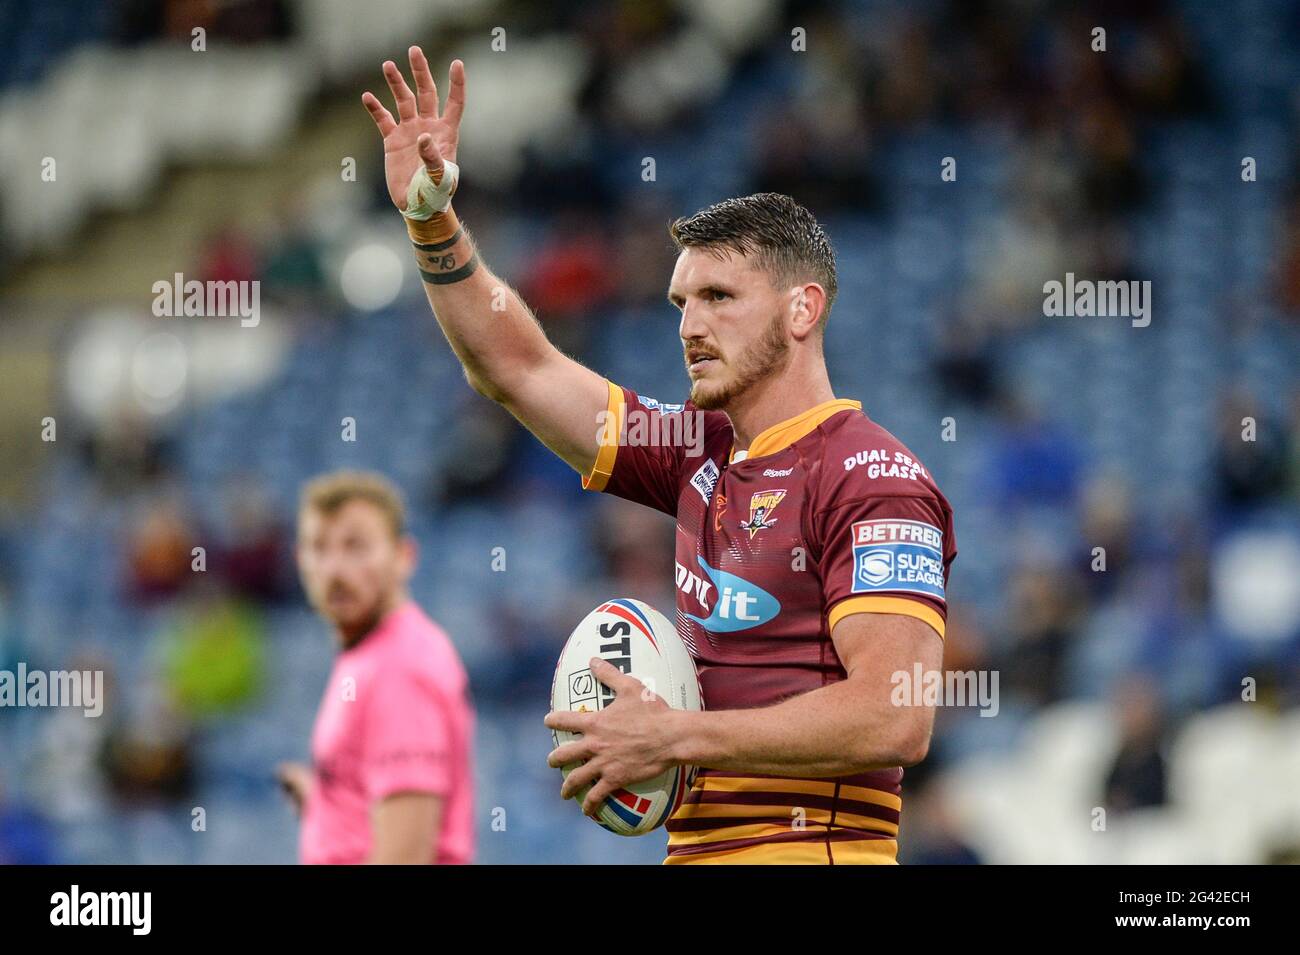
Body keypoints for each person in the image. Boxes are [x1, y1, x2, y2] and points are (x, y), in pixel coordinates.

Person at [361, 49, 954, 864]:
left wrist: (672, 735)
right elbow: (519, 367)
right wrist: (432, 221)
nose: (689, 326)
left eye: (718, 298)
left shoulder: (870, 477)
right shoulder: (693, 450)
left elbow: (897, 713)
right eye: (680, 301)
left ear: (802, 309)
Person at [277, 471, 474, 864]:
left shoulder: (400, 666)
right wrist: (327, 804)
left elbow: (406, 857)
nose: (334, 570)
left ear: (404, 557)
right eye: (319, 548)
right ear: (300, 561)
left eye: (356, 547)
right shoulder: (370, 653)